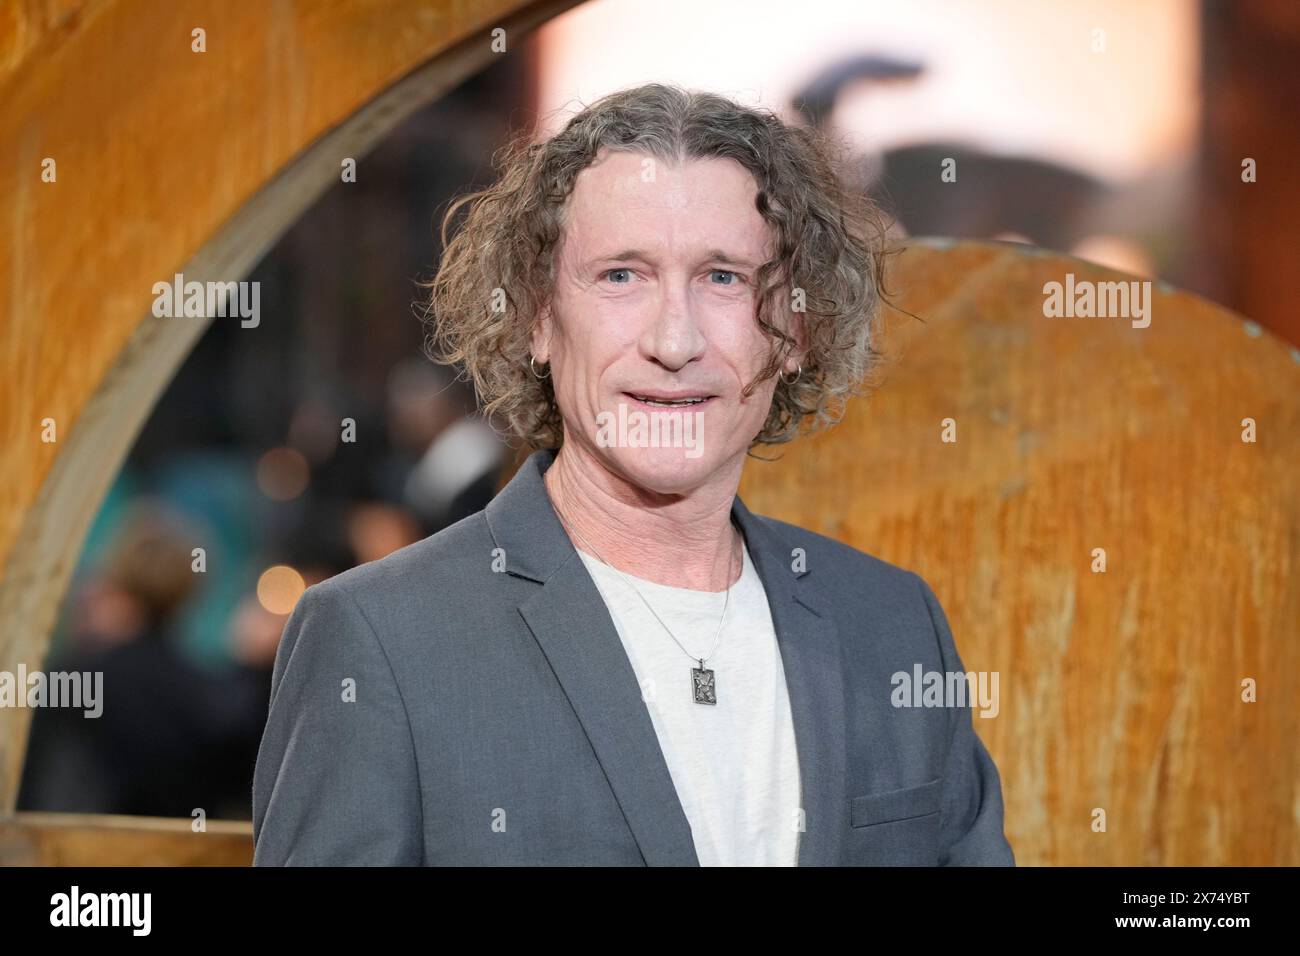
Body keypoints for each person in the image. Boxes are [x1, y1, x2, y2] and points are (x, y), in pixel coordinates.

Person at [252, 83, 1014, 866]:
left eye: (724, 277)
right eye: (622, 275)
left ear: (793, 330)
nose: (675, 340)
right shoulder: (380, 641)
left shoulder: (891, 625)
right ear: (538, 318)